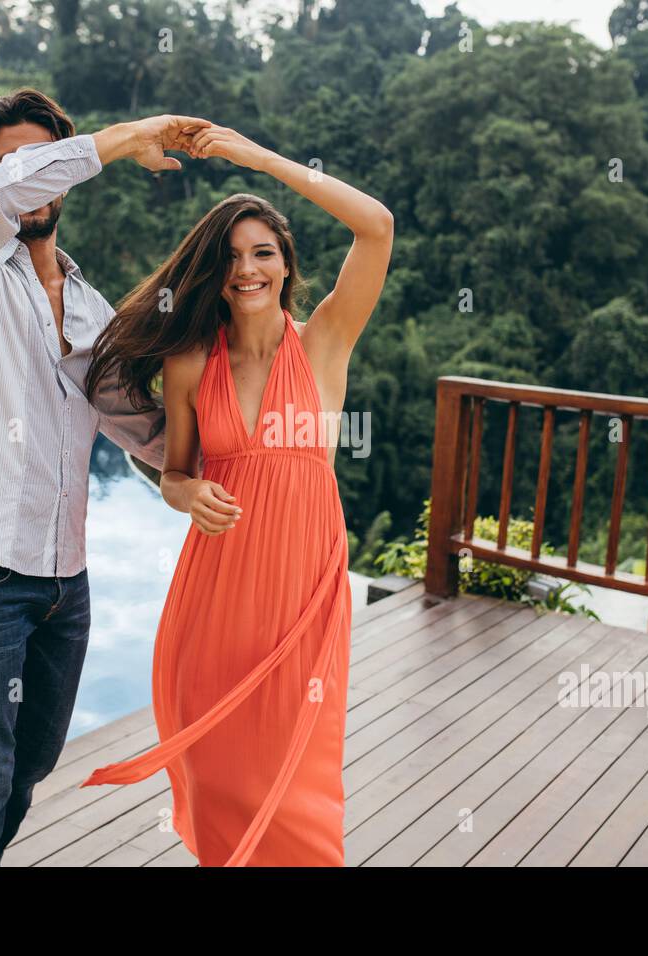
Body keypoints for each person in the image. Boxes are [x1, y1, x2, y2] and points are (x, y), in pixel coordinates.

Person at [0, 87, 210, 866]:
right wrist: (127, 132)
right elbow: (3, 193)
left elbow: (134, 422)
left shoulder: (86, 304)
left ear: (66, 183)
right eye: (12, 160)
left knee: (30, 766)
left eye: (46, 162)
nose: (32, 177)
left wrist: (221, 467)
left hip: (62, 581)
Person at [79, 123, 394, 865]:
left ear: (286, 265)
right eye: (229, 258)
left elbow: (375, 226)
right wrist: (185, 496)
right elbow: (179, 472)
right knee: (219, 778)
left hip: (303, 595)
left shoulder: (324, 343)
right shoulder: (191, 362)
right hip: (214, 599)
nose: (246, 270)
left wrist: (253, 158)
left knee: (296, 784)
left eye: (262, 253)